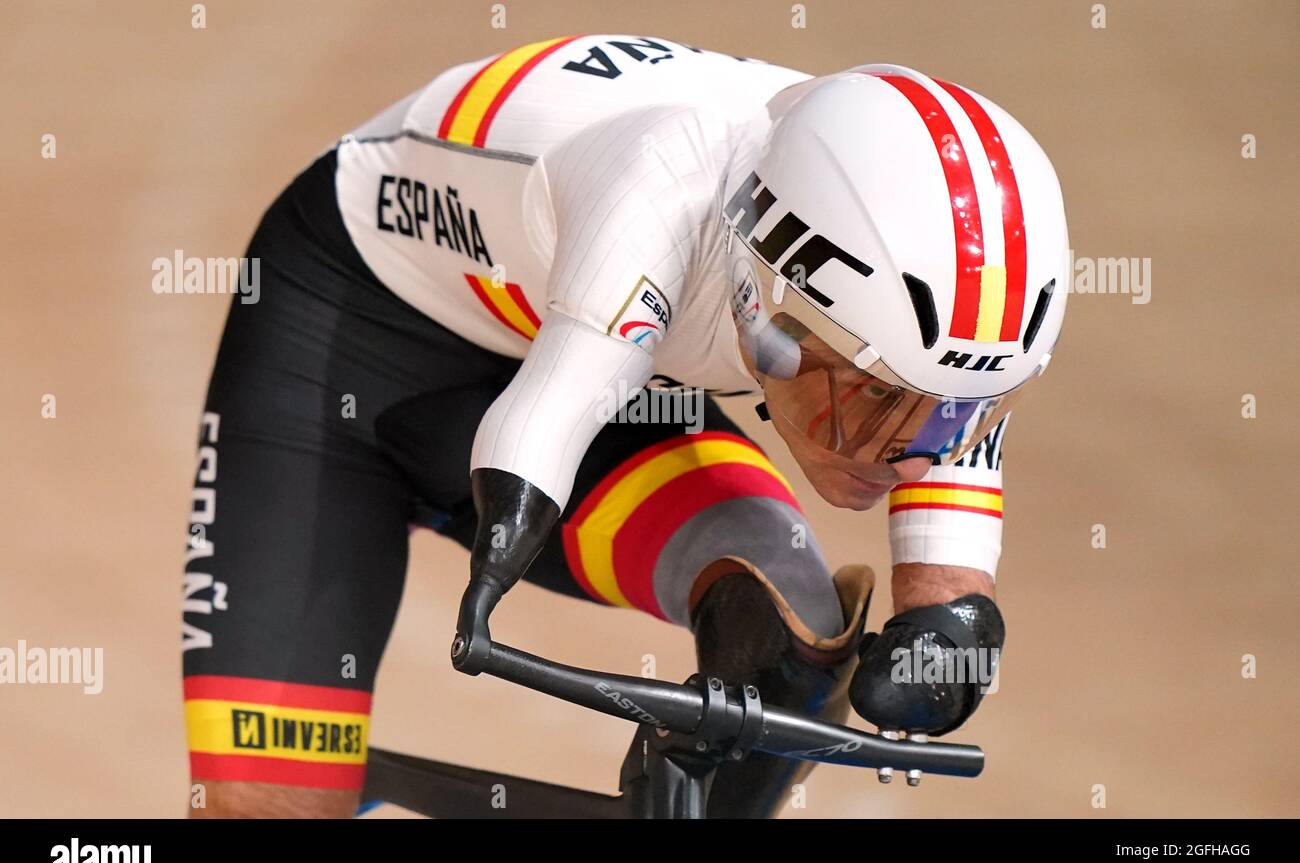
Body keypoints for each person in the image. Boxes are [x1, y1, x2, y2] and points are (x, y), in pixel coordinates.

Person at [181, 34, 1068, 818]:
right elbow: (547, 420)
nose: (899, 450)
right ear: (769, 303)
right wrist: (495, 574)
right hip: (347, 336)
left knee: (791, 626)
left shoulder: (931, 326)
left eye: (952, 410)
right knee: (268, 803)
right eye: (869, 397)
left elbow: (951, 591)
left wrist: (943, 650)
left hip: (579, 351)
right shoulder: (665, 185)